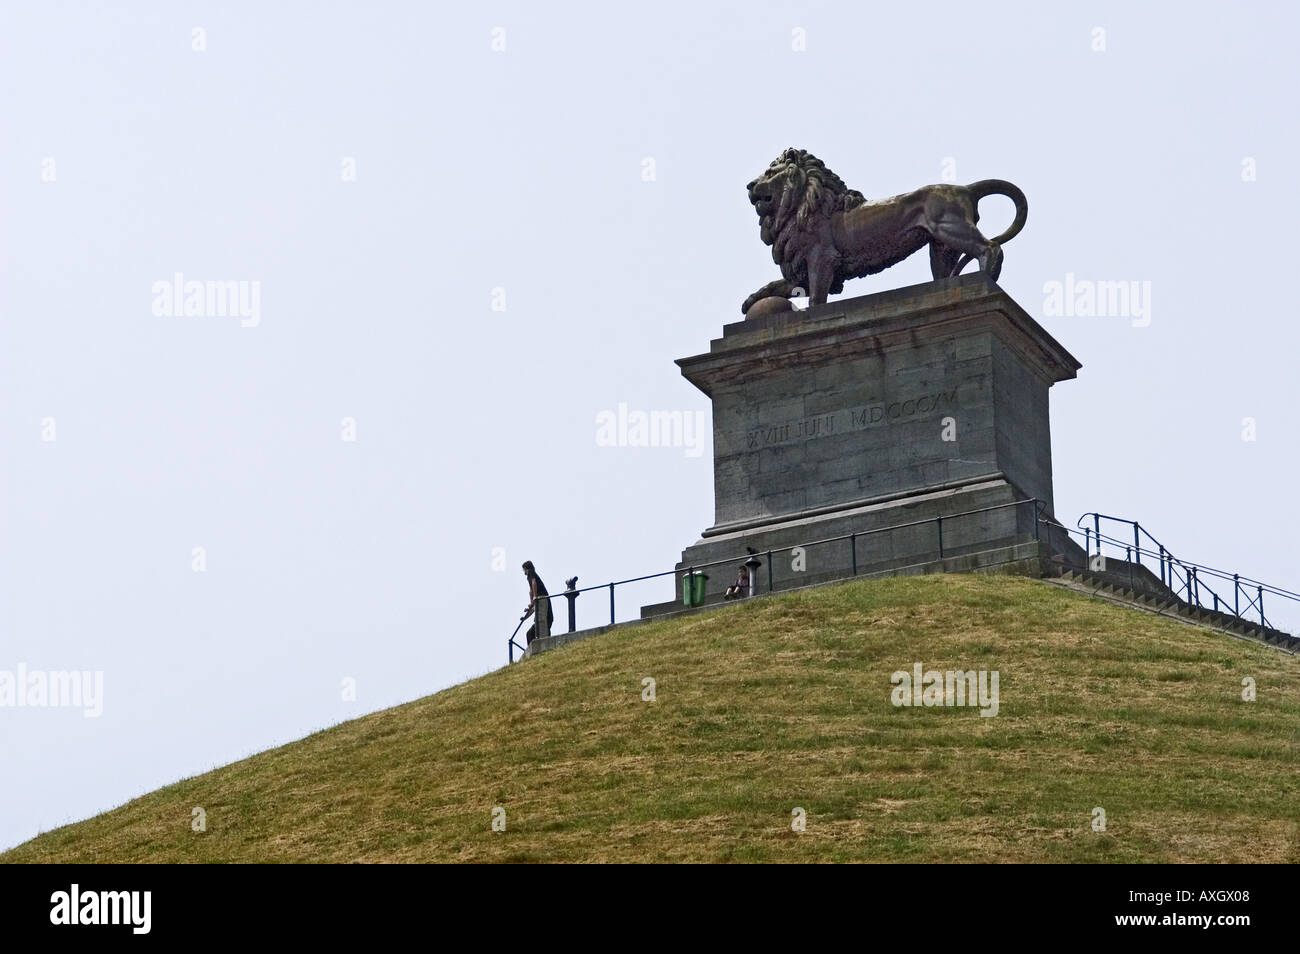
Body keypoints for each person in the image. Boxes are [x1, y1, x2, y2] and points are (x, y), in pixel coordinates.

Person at [521, 561, 555, 645]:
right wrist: (525, 617)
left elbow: (534, 582)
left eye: (523, 570)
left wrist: (535, 597)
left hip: (542, 600)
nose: (523, 572)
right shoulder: (529, 581)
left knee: (542, 626)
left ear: (526, 568)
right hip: (539, 602)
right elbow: (533, 609)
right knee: (529, 634)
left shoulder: (531, 573)